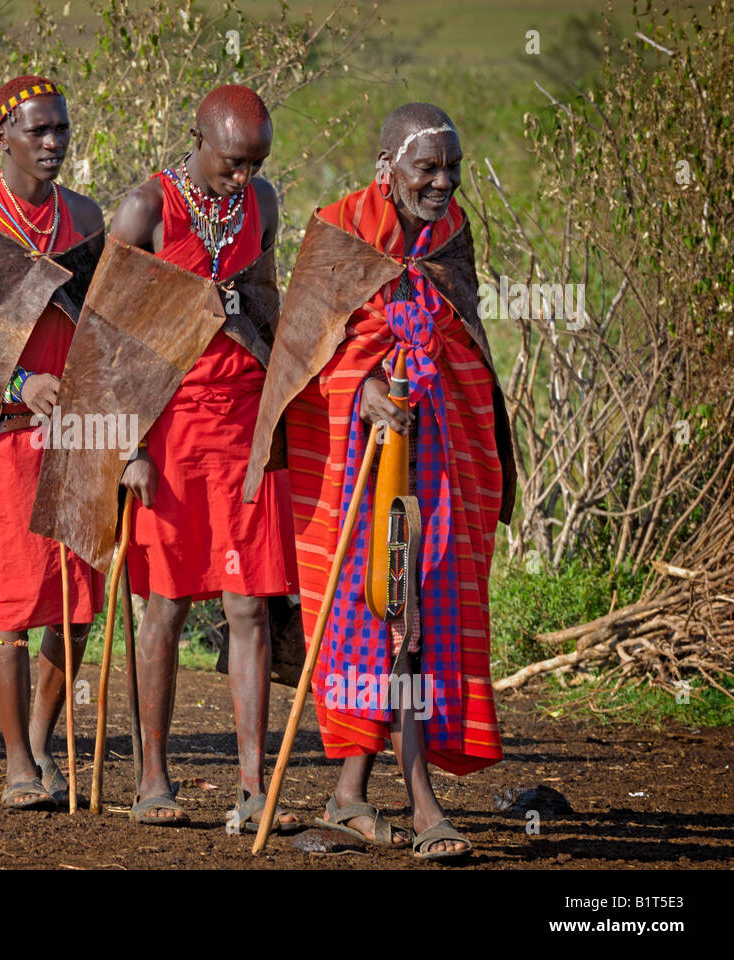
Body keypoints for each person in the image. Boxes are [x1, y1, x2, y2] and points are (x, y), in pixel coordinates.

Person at [250, 103, 512, 858]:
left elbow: (466, 338)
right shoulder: (338, 230)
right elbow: (303, 347)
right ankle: (404, 802)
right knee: (374, 610)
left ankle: (357, 796)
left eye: (452, 168)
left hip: (435, 453)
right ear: (386, 168)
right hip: (356, 458)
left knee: (416, 611)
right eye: (427, 168)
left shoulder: (452, 234)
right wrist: (359, 383)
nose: (443, 182)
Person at [108, 85, 300, 831]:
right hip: (168, 431)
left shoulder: (264, 204)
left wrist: (285, 412)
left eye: (255, 164)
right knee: (165, 601)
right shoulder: (145, 209)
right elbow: (112, 339)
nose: (243, 179)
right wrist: (127, 447)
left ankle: (255, 786)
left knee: (250, 603)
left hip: (245, 421)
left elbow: (267, 302)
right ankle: (153, 777)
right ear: (197, 139)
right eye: (231, 163)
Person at [0, 76, 106, 809]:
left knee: (78, 603)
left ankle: (43, 742)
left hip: (80, 439)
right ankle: (16, 761)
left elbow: (108, 328)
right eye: (38, 131)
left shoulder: (86, 218)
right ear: (2, 135)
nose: (52, 144)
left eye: (62, 130)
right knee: (15, 600)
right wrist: (19, 385)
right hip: (6, 436)